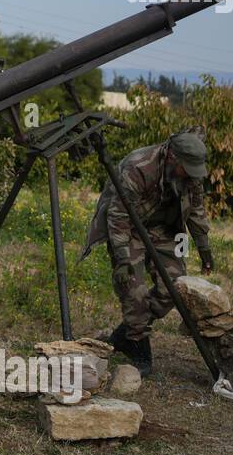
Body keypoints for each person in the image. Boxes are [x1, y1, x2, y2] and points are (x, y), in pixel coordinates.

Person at [80, 129, 212, 376]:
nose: (193, 176)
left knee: (175, 288)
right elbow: (117, 215)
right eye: (188, 169)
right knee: (134, 290)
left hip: (165, 229)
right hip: (128, 229)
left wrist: (204, 248)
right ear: (173, 157)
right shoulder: (137, 167)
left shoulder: (191, 173)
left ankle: (126, 331)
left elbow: (195, 210)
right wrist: (121, 259)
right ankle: (138, 344)